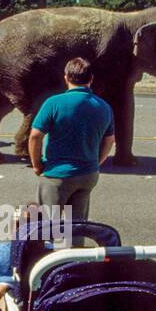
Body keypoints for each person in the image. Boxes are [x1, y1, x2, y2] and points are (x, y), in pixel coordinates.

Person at [28, 57, 114, 222]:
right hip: (88, 174)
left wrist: (37, 165)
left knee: (47, 228)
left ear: (66, 77)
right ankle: (75, 245)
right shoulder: (104, 106)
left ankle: (50, 248)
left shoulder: (54, 103)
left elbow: (35, 136)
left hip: (57, 175)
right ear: (91, 79)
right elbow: (110, 140)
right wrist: (96, 162)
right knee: (76, 226)